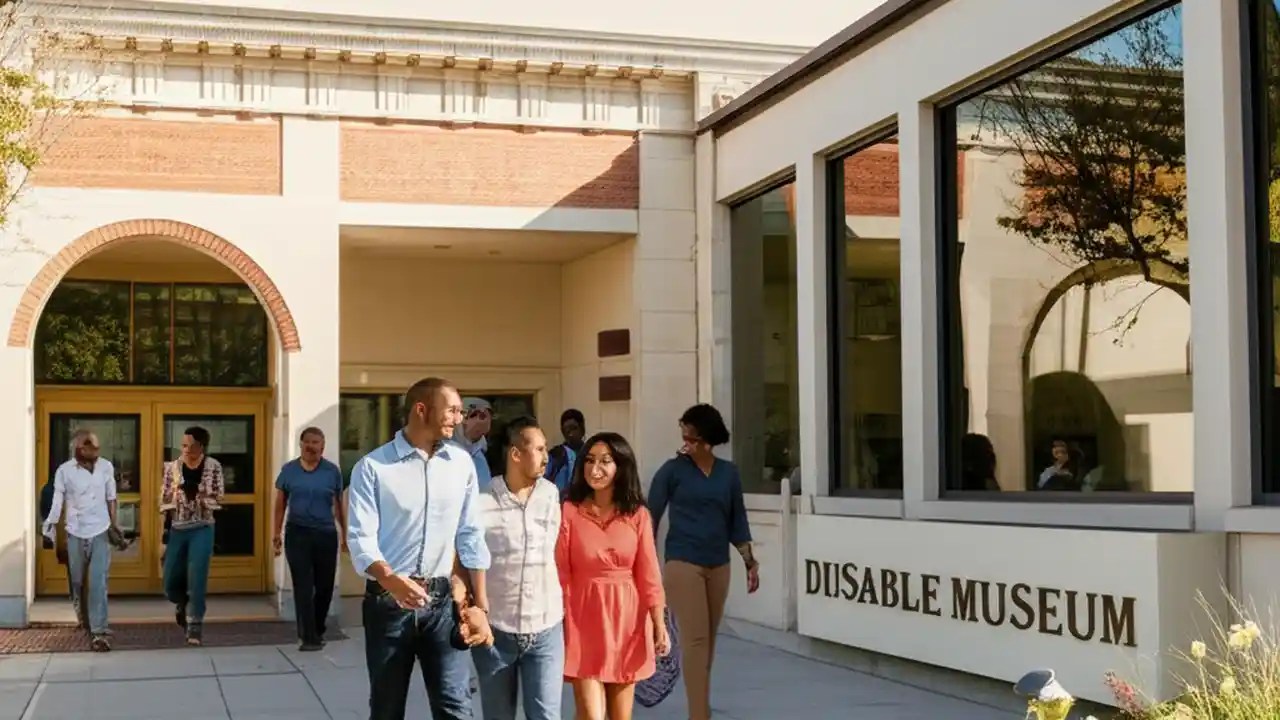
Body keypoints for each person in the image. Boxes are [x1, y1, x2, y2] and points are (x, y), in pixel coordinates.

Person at [347, 377, 494, 720]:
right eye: (453, 410)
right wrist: (391, 579)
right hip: (388, 604)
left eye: (462, 411)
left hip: (444, 603)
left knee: (456, 708)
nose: (459, 419)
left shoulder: (461, 465)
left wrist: (480, 607)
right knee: (386, 708)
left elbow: (470, 534)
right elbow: (360, 539)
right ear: (421, 409)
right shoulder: (372, 468)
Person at [647, 404, 757, 720]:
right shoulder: (672, 471)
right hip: (683, 563)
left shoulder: (728, 473)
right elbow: (648, 518)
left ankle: (700, 705)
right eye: (684, 434)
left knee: (707, 641)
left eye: (692, 435)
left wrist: (750, 562)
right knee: (695, 640)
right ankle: (699, 715)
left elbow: (738, 520)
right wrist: (646, 565)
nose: (686, 440)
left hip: (718, 564)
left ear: (707, 437)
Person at [558, 431, 669, 720]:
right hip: (583, 619)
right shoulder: (570, 511)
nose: (596, 469)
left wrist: (659, 623)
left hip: (628, 621)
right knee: (593, 715)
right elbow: (561, 570)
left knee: (619, 717)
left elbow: (649, 574)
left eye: (605, 461)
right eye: (590, 461)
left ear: (621, 466)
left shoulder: (638, 515)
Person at [472, 416, 564, 720]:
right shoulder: (482, 501)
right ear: (515, 454)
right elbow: (468, 560)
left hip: (545, 630)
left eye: (545, 448)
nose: (546, 456)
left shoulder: (551, 496)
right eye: (538, 448)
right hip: (497, 633)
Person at [42, 429, 119, 652]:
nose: (94, 451)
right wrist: (51, 525)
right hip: (75, 530)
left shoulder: (106, 467)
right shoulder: (64, 471)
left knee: (98, 582)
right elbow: (58, 501)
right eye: (89, 446)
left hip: (100, 529)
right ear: (78, 447)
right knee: (77, 581)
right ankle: (83, 617)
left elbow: (111, 497)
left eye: (96, 446)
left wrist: (114, 525)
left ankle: (99, 632)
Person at [272, 426, 347, 651]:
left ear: (322, 447)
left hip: (325, 534)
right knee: (303, 587)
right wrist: (276, 533)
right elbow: (280, 503)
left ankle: (317, 628)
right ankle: (308, 637)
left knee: (324, 587)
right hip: (298, 533)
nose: (311, 446)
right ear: (301, 445)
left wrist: (345, 534)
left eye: (316, 443)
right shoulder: (289, 470)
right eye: (308, 442)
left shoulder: (332, 471)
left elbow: (338, 504)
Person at [160, 425, 225, 647]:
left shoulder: (213, 466)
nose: (186, 450)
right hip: (178, 528)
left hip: (203, 527)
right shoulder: (172, 468)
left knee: (197, 577)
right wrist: (164, 534)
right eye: (183, 445)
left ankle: (195, 627)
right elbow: (165, 500)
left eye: (191, 445)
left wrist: (198, 494)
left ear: (201, 446)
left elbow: (219, 497)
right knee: (169, 581)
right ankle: (181, 602)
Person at [454, 396, 494, 487]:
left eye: (488, 416)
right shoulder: (444, 449)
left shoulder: (481, 454)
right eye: (480, 415)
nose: (485, 421)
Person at [544, 409, 584, 497]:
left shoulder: (590, 452)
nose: (570, 434)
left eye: (574, 428)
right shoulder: (556, 454)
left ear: (582, 429)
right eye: (567, 430)